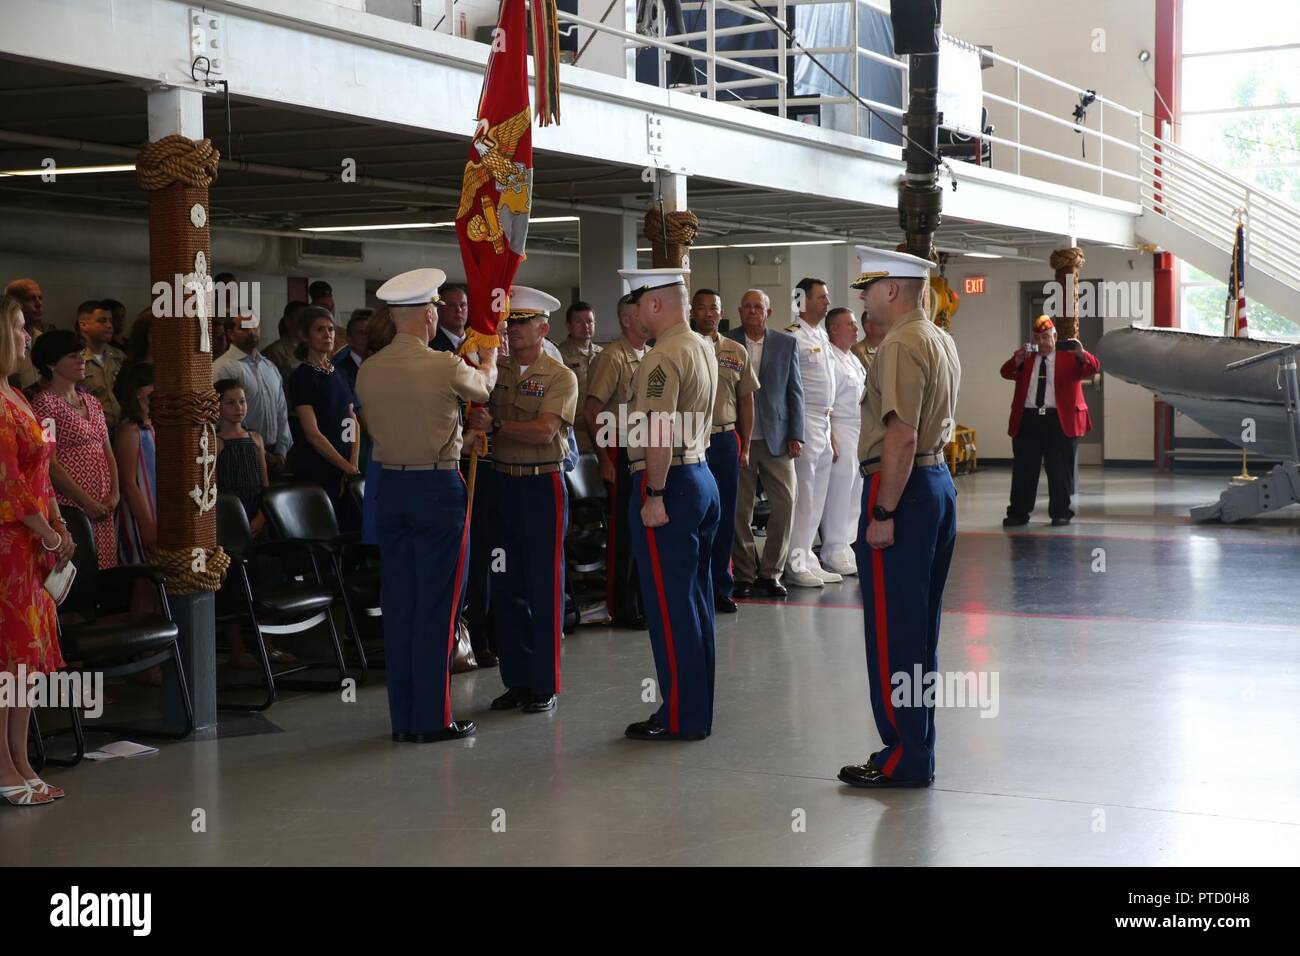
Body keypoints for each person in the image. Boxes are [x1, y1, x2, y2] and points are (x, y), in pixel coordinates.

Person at [354, 267, 497, 743]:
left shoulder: (368, 369)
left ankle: (404, 718)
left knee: (400, 606)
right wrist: (488, 356)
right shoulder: (441, 364)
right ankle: (432, 720)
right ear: (430, 315)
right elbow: (485, 387)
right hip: (436, 491)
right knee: (438, 605)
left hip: (389, 491)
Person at [838, 246, 961, 789]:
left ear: (891, 290)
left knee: (892, 632)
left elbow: (902, 435)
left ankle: (903, 755)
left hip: (903, 491)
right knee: (920, 630)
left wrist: (883, 508)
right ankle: (919, 747)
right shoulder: (939, 338)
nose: (863, 299)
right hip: (935, 484)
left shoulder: (899, 344)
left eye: (867, 288)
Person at [619, 268, 720, 741]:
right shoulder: (702, 345)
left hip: (670, 483)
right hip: (699, 473)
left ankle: (679, 716)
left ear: (654, 305)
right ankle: (696, 709)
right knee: (695, 601)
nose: (633, 314)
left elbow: (657, 430)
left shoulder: (662, 357)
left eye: (637, 304)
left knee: (669, 604)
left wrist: (654, 495)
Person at [466, 287, 576, 715]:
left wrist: (494, 426)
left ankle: (544, 683)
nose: (512, 330)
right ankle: (516, 680)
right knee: (506, 584)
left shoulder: (559, 375)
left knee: (542, 585)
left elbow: (546, 431)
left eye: (521, 322)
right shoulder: (499, 371)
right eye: (509, 322)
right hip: (501, 485)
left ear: (543, 328)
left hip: (540, 486)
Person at [0, 294, 74, 807]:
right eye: (22, 328)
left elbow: (39, 473)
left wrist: (59, 522)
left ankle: (20, 757)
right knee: (6, 660)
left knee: (25, 661)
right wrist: (45, 532)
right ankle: (3, 764)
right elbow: (6, 481)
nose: (29, 336)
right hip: (9, 544)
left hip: (32, 544)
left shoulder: (15, 396)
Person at [724, 289, 802, 599]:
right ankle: (744, 574)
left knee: (784, 503)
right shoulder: (726, 343)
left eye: (759, 307)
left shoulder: (786, 344)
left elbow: (795, 392)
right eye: (747, 306)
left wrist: (796, 433)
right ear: (740, 311)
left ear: (768, 313)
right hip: (737, 438)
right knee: (739, 510)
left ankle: (771, 573)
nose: (753, 311)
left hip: (777, 438)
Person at [583, 294, 651, 627]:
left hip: (645, 448)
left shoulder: (650, 355)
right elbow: (592, 411)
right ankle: (622, 607)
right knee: (623, 532)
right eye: (642, 313)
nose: (649, 318)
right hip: (620, 449)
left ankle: (640, 601)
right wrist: (603, 459)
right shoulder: (613, 358)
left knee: (643, 528)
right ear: (627, 319)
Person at [691, 288, 758, 614]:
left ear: (721, 312)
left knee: (726, 516)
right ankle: (695, 587)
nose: (707, 313)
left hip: (724, 440)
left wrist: (744, 446)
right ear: (692, 312)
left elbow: (746, 401)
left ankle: (720, 587)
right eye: (701, 308)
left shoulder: (735, 351)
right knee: (693, 517)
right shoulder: (682, 348)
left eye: (713, 308)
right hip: (689, 441)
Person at [29, 330, 120, 570]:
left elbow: (107, 449)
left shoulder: (91, 401)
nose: (81, 360)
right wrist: (87, 502)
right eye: (72, 356)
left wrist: (115, 493)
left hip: (103, 506)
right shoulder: (44, 404)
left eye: (81, 354)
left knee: (107, 576)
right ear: (50, 363)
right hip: (71, 506)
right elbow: (50, 462)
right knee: (81, 573)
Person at [1001, 315, 1101, 527]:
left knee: (1060, 470)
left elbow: (1094, 368)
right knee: (1024, 470)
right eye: (1037, 338)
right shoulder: (1027, 357)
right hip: (1028, 420)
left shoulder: (1069, 356)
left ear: (1055, 336)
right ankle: (1018, 513)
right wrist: (1017, 360)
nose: (1042, 343)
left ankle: (1061, 512)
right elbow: (1006, 372)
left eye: (1046, 337)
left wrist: (1082, 353)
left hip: (1059, 420)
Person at [784, 276, 840, 588]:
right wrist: (795, 431)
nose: (827, 303)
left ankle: (807, 556)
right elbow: (788, 389)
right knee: (802, 496)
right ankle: (793, 561)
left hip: (825, 420)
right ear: (802, 301)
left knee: (817, 497)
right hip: (804, 421)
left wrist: (831, 431)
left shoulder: (819, 334)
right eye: (821, 297)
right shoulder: (793, 336)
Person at [286, 306, 361, 516]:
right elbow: (312, 433)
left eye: (330, 329)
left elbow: (352, 420)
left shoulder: (342, 373)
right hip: (318, 468)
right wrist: (345, 467)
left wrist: (352, 465)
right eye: (319, 330)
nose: (327, 334)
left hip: (347, 467)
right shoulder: (303, 376)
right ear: (305, 336)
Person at [212, 310, 293, 476]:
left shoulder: (269, 367)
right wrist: (260, 451)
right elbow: (219, 417)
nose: (251, 332)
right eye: (244, 328)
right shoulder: (223, 367)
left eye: (255, 326)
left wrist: (281, 452)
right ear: (230, 334)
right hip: (238, 453)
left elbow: (282, 412)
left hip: (276, 457)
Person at [819, 307, 868, 576]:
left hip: (858, 429)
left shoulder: (853, 358)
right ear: (834, 328)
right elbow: (827, 401)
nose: (856, 328)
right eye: (850, 324)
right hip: (839, 427)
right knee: (839, 490)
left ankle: (847, 543)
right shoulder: (830, 359)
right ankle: (832, 547)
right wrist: (831, 437)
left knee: (854, 490)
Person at [112, 362, 158, 565]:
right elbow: (128, 482)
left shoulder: (157, 424)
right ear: (137, 392)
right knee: (145, 579)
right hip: (141, 511)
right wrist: (146, 525)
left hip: (159, 505)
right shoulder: (130, 431)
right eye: (152, 384)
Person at [558, 301, 603, 452]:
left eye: (589, 321)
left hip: (602, 432)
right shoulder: (558, 356)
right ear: (569, 326)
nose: (586, 326)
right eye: (579, 322)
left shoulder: (604, 355)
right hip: (574, 435)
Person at [77, 300, 126, 430]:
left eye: (110, 320)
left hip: (123, 428)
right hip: (94, 431)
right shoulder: (75, 360)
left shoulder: (119, 357)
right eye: (102, 321)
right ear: (83, 325)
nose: (109, 325)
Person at [4, 279, 44, 389]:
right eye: (30, 299)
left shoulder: (44, 340)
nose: (39, 304)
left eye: (40, 298)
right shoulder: (4, 344)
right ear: (13, 303)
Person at [261, 302, 307, 385]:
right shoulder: (273, 353)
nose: (306, 324)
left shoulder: (311, 348)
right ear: (288, 321)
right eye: (301, 319)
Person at [332, 309, 371, 392]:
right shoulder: (338, 370)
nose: (365, 337)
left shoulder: (378, 364)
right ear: (349, 339)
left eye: (368, 333)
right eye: (360, 333)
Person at [430, 283, 469, 353]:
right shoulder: (430, 346)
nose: (459, 310)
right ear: (438, 309)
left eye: (463, 305)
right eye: (451, 305)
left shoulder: (480, 342)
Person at [852, 307, 888, 374]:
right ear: (868, 327)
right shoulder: (857, 351)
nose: (886, 326)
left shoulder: (887, 348)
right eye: (881, 323)